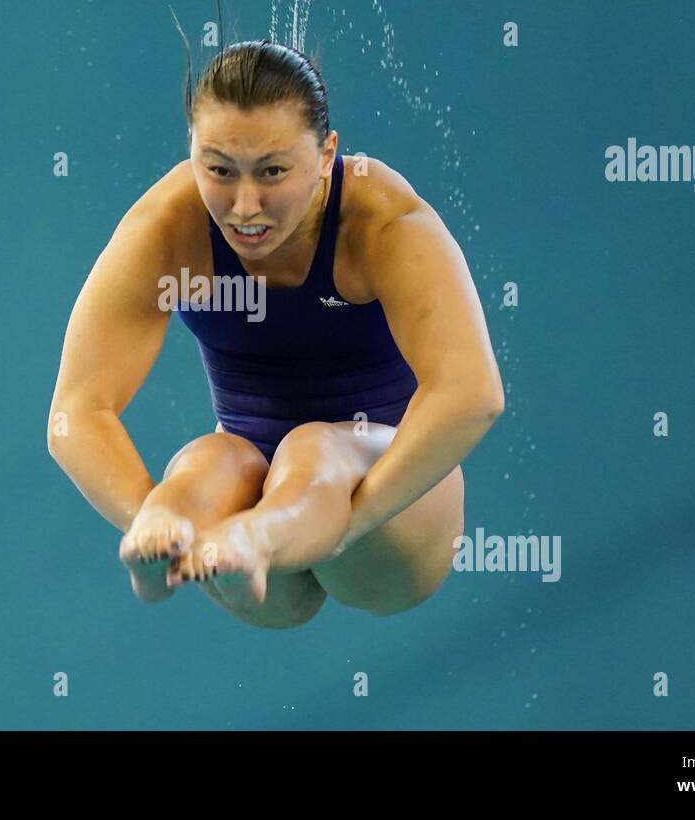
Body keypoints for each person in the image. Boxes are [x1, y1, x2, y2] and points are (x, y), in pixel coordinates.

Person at [47, 40, 503, 628]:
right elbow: (74, 414)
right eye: (218, 169)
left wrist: (344, 523)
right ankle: (183, 532)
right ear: (192, 153)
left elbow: (472, 396)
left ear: (326, 154)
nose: (244, 206)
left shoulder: (382, 221)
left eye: (273, 172)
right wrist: (146, 516)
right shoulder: (167, 226)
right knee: (206, 461)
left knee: (315, 450)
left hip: (389, 516)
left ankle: (265, 536)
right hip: (250, 537)